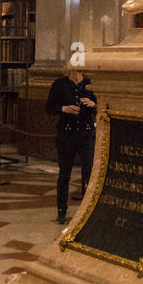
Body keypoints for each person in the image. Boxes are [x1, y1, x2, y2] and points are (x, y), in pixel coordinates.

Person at [46, 60, 97, 225]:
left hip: (86, 134)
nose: (77, 70)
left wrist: (94, 104)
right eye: (74, 66)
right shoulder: (60, 84)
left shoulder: (91, 84)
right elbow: (49, 107)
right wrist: (63, 108)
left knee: (89, 173)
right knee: (64, 174)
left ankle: (88, 210)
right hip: (66, 135)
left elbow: (102, 106)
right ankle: (61, 210)